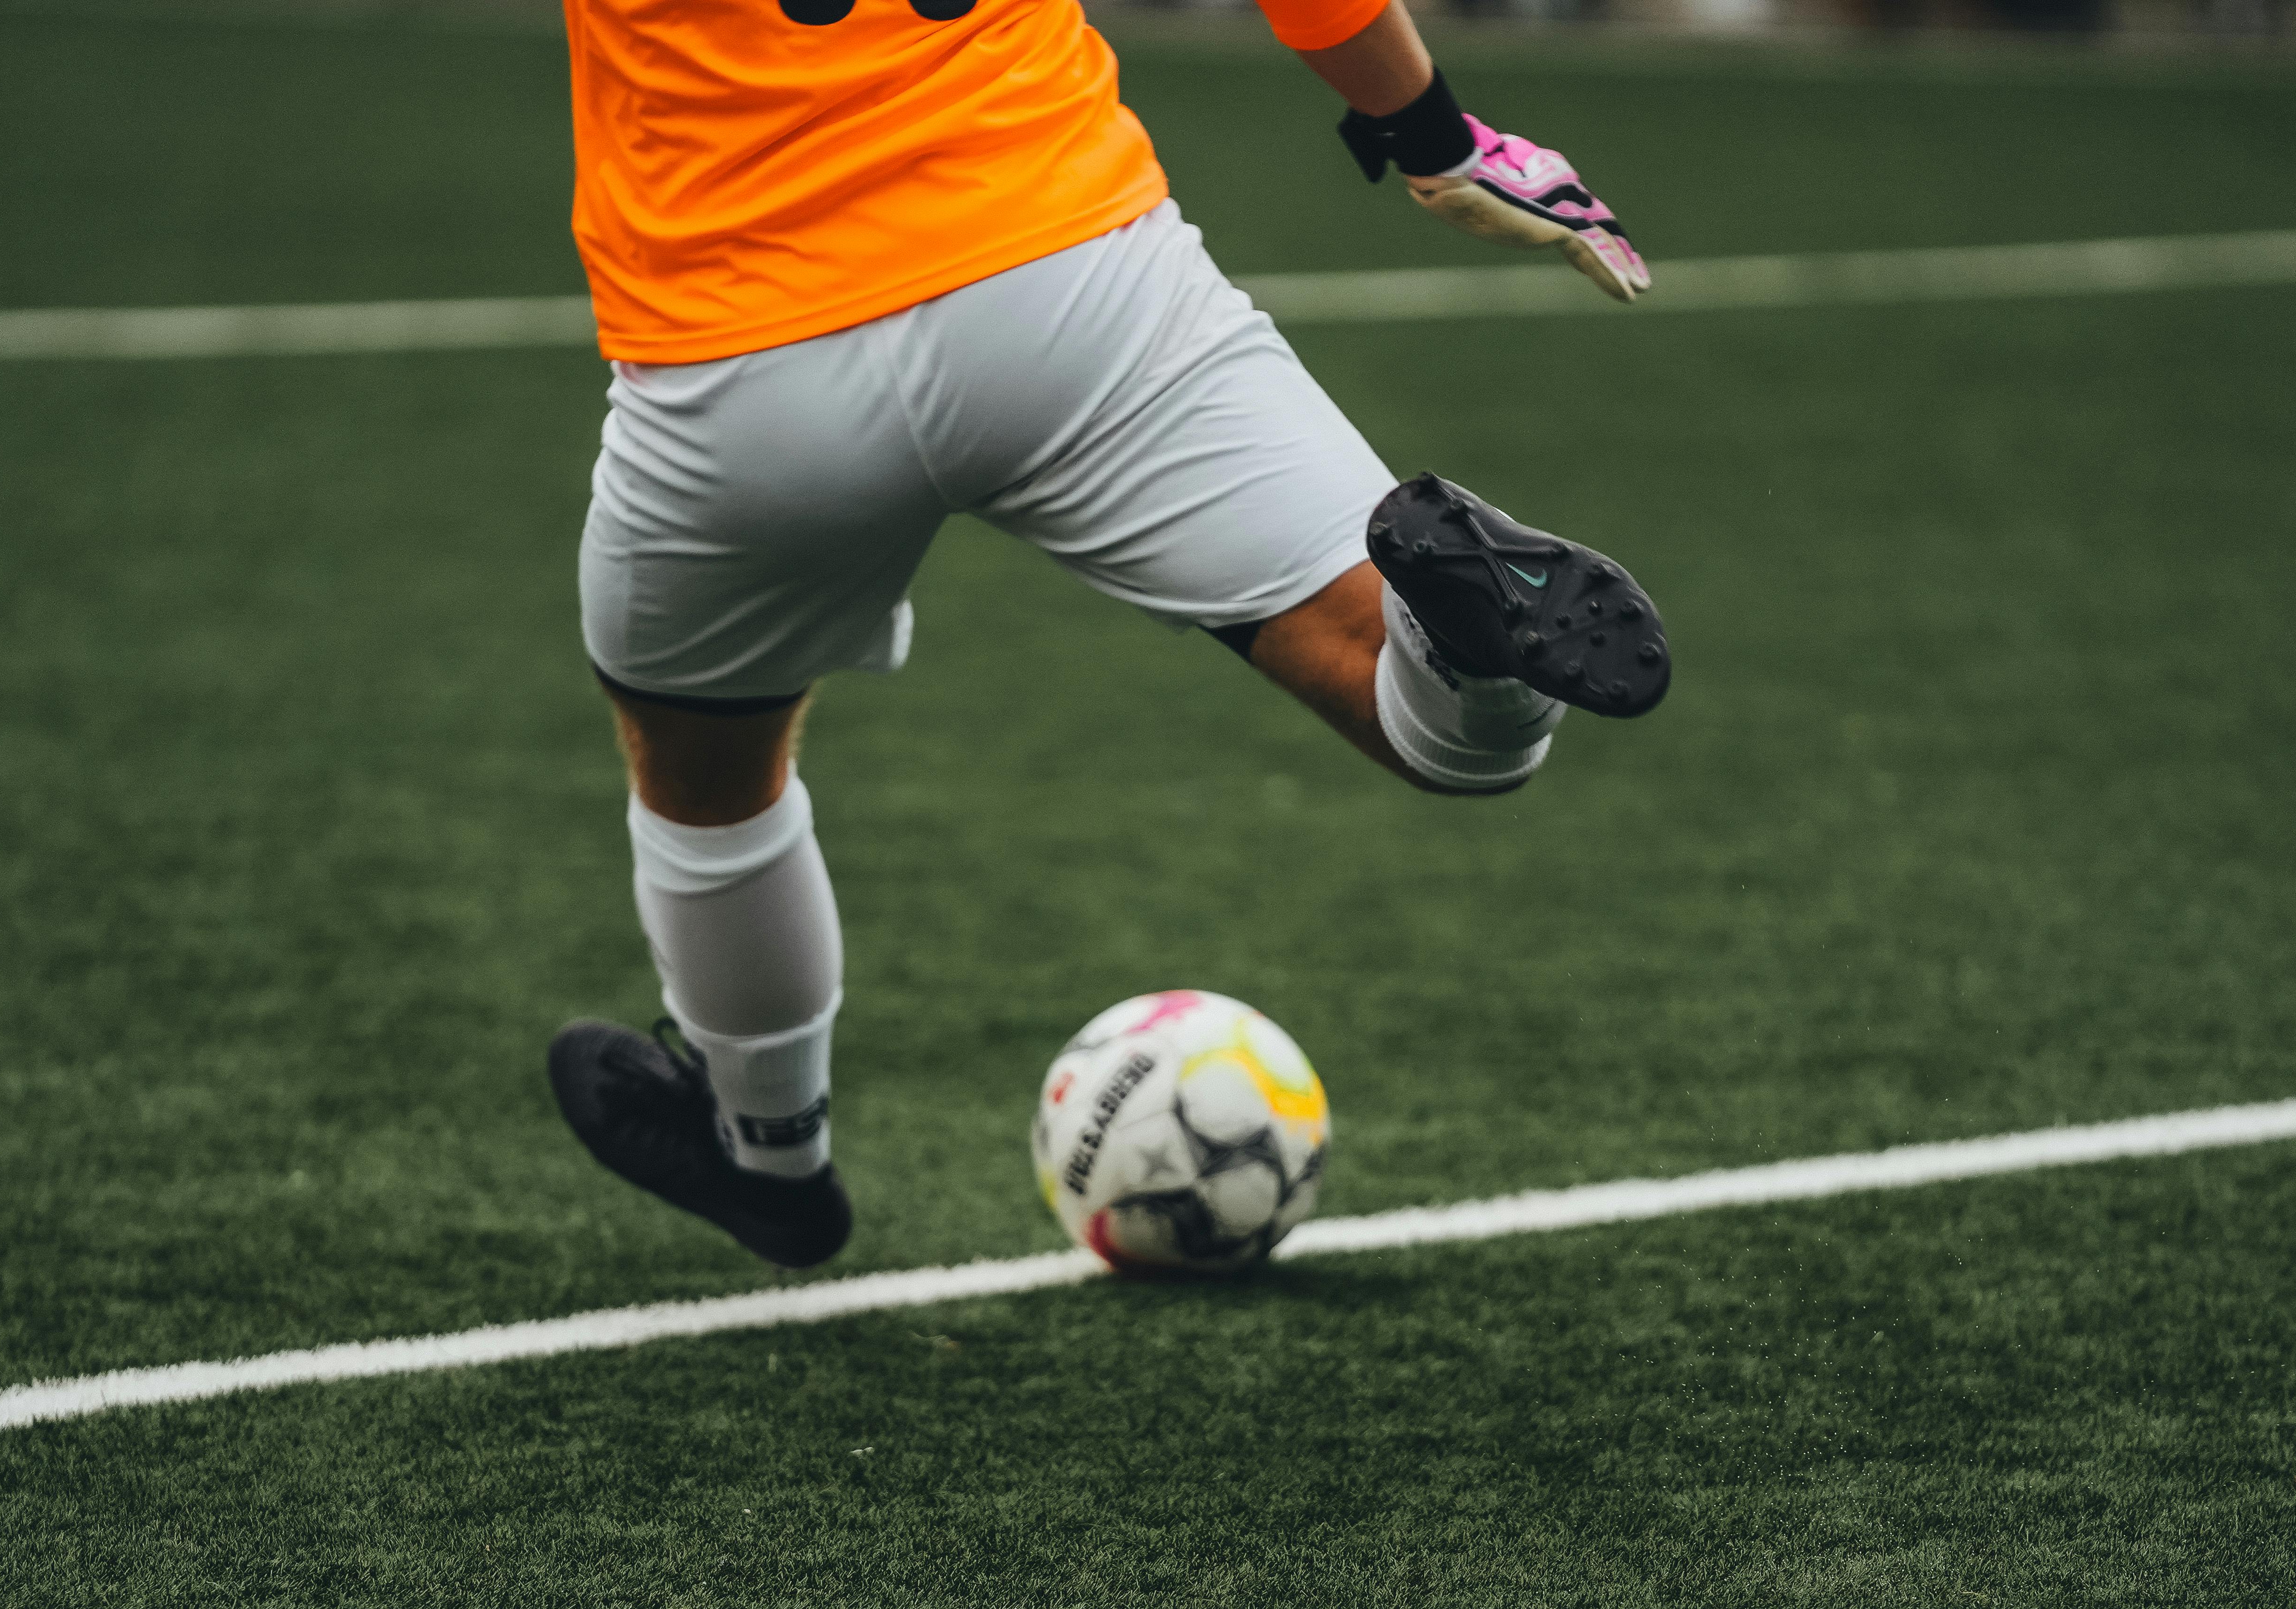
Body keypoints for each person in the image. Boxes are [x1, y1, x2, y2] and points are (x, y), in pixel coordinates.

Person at [545, 0, 1669, 1269]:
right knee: (1439, 724)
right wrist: (1429, 131)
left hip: (747, 351)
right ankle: (1469, 650)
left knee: (704, 778)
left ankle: (766, 1153)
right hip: (1073, 278)